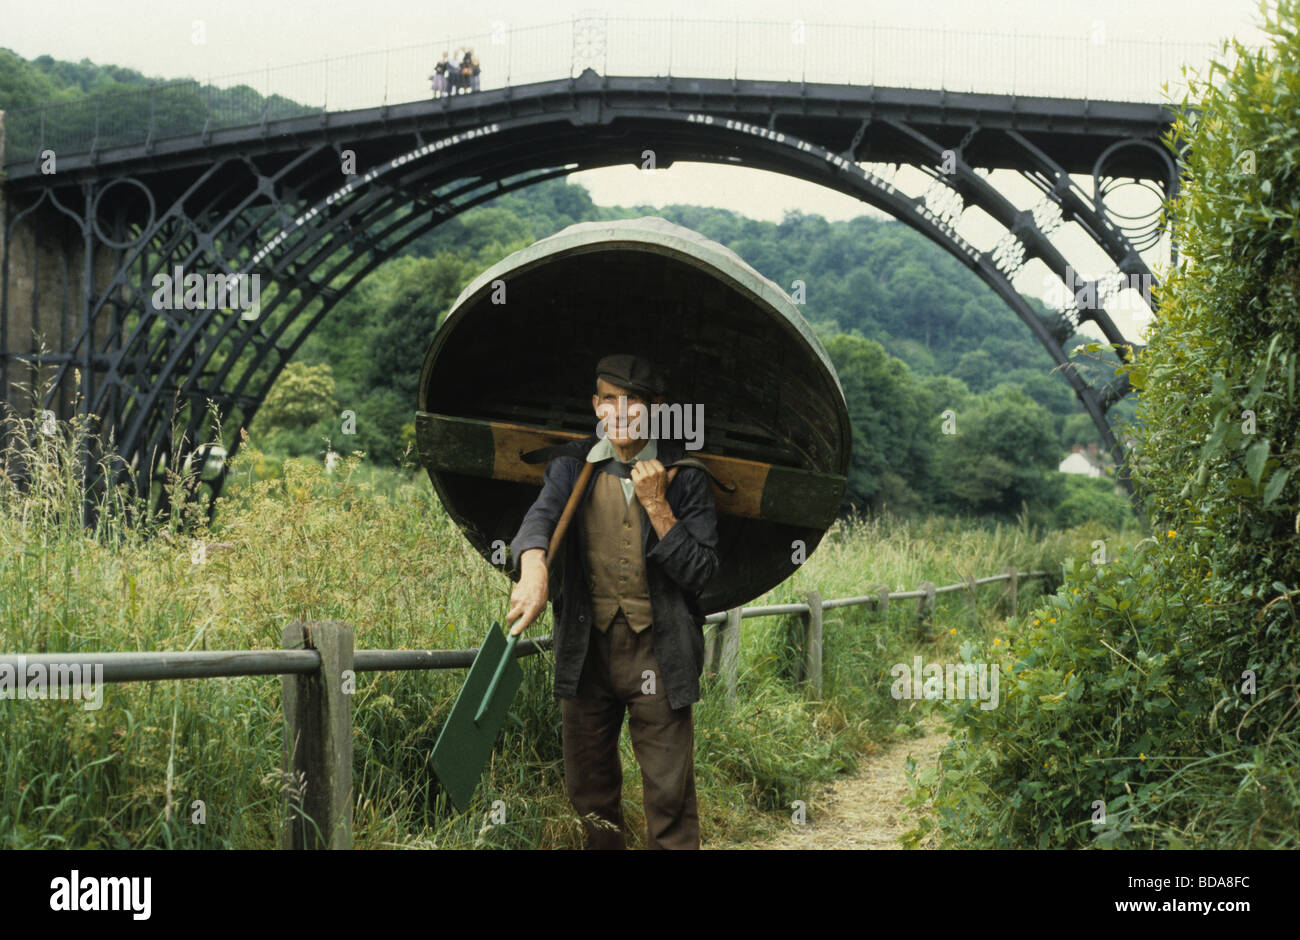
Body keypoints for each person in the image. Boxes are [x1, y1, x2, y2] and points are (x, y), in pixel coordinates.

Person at [508, 354, 720, 850]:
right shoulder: (571, 466)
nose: (620, 413)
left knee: (668, 793)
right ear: (596, 406)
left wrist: (658, 507)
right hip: (587, 649)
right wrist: (533, 569)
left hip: (659, 653)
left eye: (634, 403)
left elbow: (702, 574)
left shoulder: (684, 475)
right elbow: (540, 521)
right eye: (609, 401)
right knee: (590, 792)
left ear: (658, 410)